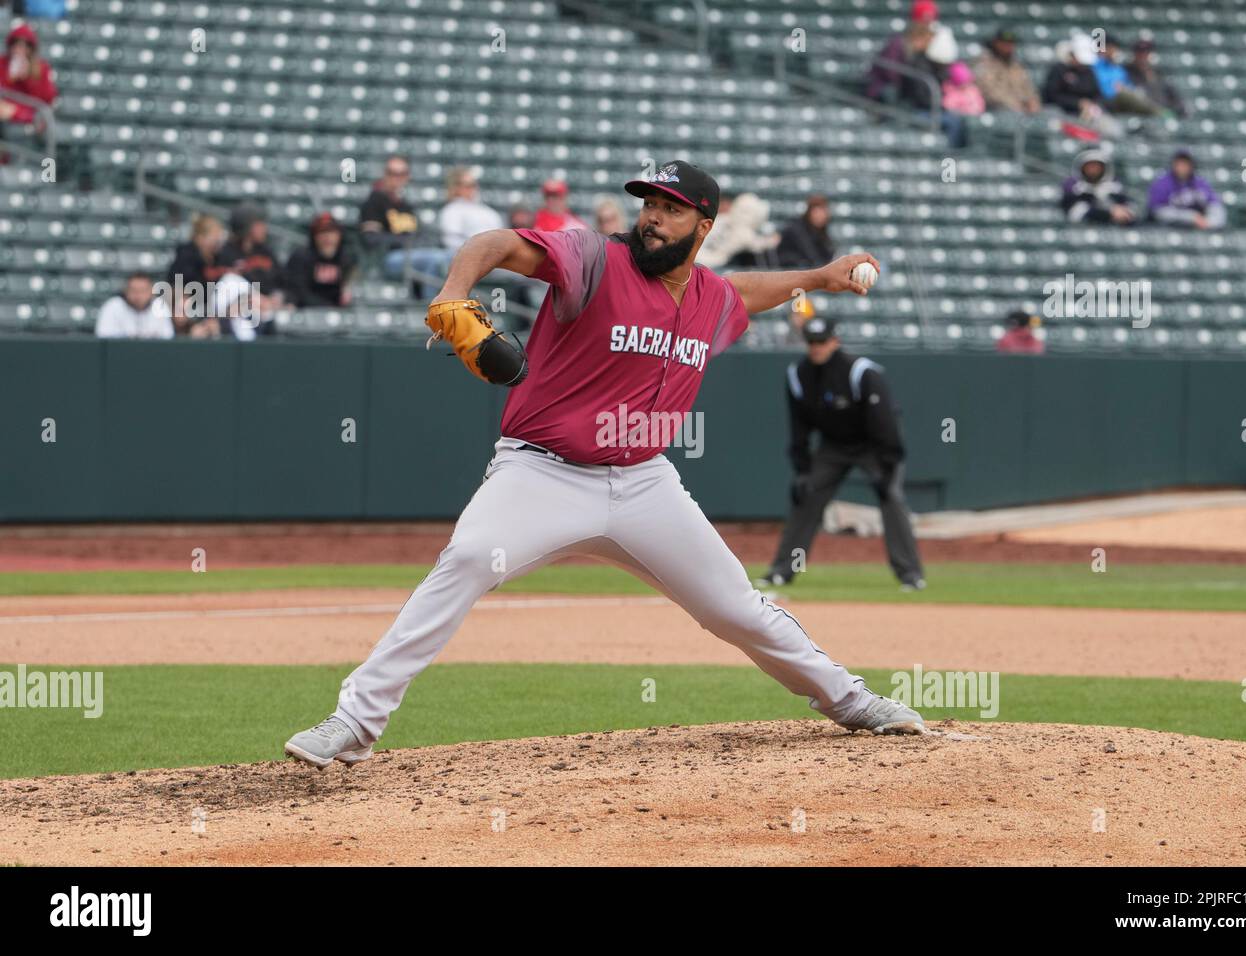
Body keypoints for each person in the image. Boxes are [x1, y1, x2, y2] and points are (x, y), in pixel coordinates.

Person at [283, 159, 926, 768]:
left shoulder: (708, 298)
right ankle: (356, 722)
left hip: (646, 482)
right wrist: (454, 293)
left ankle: (848, 699)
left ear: (705, 228)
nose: (651, 217)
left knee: (734, 608)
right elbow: (497, 242)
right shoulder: (594, 258)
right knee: (470, 558)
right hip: (543, 471)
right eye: (648, 204)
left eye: (671, 210)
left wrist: (817, 277)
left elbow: (745, 292)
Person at [756, 317, 926, 592]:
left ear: (835, 341)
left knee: (891, 498)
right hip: (834, 446)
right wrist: (801, 469)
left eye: (822, 342)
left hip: (874, 445)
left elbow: (885, 422)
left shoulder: (860, 372)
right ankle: (782, 571)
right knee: (806, 493)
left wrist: (888, 465)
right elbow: (798, 427)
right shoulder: (798, 375)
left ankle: (911, 575)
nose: (816, 348)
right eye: (811, 342)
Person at [359, 154, 452, 297]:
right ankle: (431, 308)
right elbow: (370, 238)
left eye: (401, 174)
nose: (396, 178)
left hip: (413, 254)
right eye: (392, 173)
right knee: (436, 259)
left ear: (407, 177)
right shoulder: (374, 201)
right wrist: (405, 242)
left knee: (452, 256)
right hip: (388, 258)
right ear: (385, 175)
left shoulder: (406, 206)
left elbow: (419, 232)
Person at [164, 214, 228, 337]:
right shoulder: (187, 255)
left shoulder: (220, 258)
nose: (218, 241)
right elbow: (177, 289)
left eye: (219, 238)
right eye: (214, 237)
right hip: (190, 309)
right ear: (199, 238)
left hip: (212, 309)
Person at [864, 1, 938, 102]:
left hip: (906, 91)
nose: (926, 25)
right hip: (885, 89)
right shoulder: (898, 42)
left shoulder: (926, 46)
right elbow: (890, 72)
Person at [216, 200, 283, 309]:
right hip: (237, 310)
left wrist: (279, 296)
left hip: (266, 308)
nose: (264, 228)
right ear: (246, 226)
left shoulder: (266, 251)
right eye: (259, 224)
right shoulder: (226, 252)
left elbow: (281, 281)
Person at [284, 212, 356, 307]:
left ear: (339, 235)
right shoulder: (301, 258)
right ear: (314, 237)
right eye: (322, 232)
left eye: (331, 232)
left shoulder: (346, 259)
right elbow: (298, 292)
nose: (327, 237)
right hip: (307, 312)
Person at [695, 191, 779, 269]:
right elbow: (756, 244)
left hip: (699, 256)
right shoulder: (737, 228)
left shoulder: (724, 219)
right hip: (711, 261)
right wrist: (772, 240)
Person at [1146, 150, 1226, 230]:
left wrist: (1209, 222)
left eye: (1185, 164)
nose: (1182, 167)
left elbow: (1215, 205)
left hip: (1199, 228)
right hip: (1171, 229)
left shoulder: (1200, 183)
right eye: (1179, 164)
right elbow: (1157, 211)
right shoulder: (1162, 184)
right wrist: (1191, 217)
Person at [0, 23, 57, 128]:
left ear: (32, 48)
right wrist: (10, 77)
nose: (20, 49)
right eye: (16, 43)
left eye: (26, 45)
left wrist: (28, 79)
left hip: (29, 115)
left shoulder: (41, 67)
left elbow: (47, 98)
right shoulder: (2, 62)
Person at [1060, 147, 1135, 224]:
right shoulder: (1075, 190)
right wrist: (1110, 213)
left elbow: (1130, 210)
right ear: (1082, 168)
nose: (1093, 170)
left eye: (1097, 166)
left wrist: (1122, 212)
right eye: (1090, 166)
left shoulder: (1115, 189)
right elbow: (1076, 214)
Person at [974, 28, 1040, 114]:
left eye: (1011, 43)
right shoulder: (984, 62)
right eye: (1004, 43)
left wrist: (1032, 102)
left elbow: (1028, 88)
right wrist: (1015, 104)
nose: (1008, 46)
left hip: (1021, 109)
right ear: (995, 43)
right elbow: (988, 92)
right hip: (997, 109)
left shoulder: (1016, 65)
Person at [438, 166, 504, 252]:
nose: (472, 189)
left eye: (474, 185)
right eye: (467, 185)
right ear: (456, 188)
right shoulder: (451, 211)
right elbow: (451, 241)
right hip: (467, 256)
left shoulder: (487, 211)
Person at [94, 272, 173, 339]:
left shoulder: (160, 306)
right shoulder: (113, 306)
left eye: (143, 290)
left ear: (151, 292)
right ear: (126, 291)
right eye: (134, 290)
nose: (138, 295)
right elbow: (103, 338)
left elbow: (168, 338)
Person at [1091, 37, 1158, 116]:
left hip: (1123, 101)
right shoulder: (1096, 66)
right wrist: (1115, 89)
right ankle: (1157, 112)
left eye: (1114, 48)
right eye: (1110, 48)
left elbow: (1129, 86)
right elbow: (1102, 89)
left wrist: (1123, 88)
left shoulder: (1119, 69)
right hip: (1107, 101)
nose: (1113, 51)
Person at [1128, 39, 1187, 118]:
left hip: (1162, 114)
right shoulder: (1126, 73)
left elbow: (1173, 95)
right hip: (1142, 115)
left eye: (1146, 52)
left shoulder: (1159, 74)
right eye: (1140, 52)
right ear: (1135, 54)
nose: (1143, 56)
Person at [776, 194, 835, 269]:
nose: (820, 216)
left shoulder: (820, 232)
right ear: (809, 213)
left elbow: (828, 254)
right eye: (816, 212)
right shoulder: (798, 228)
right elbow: (811, 255)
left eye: (823, 212)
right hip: (787, 270)